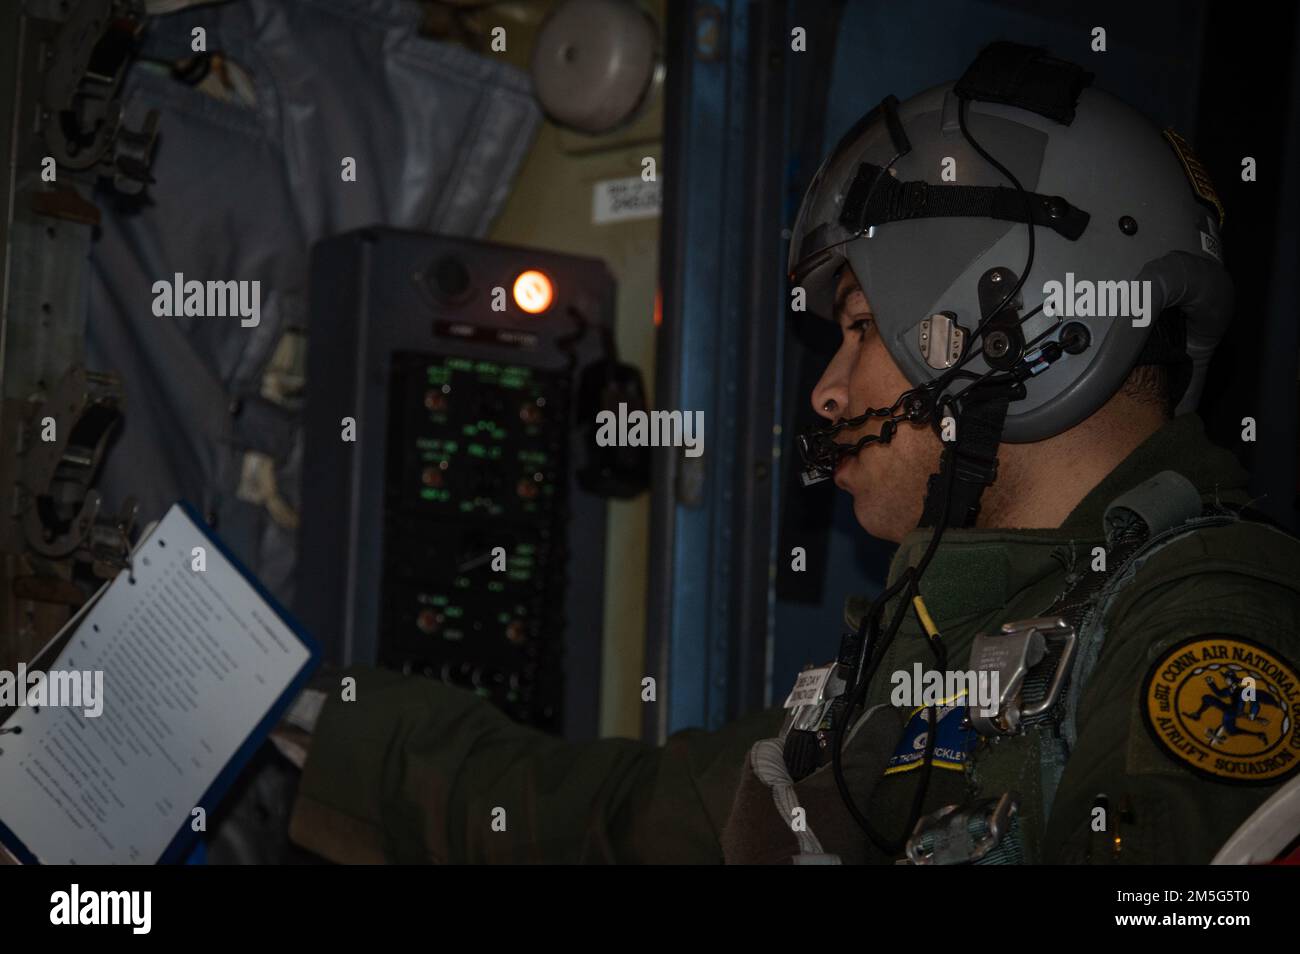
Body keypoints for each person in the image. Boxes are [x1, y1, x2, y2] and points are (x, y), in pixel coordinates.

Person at [283, 42, 1300, 864]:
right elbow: (622, 821)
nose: (825, 390)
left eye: (857, 327)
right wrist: (311, 722)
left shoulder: (1211, 623)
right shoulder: (950, 643)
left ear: (1016, 332)